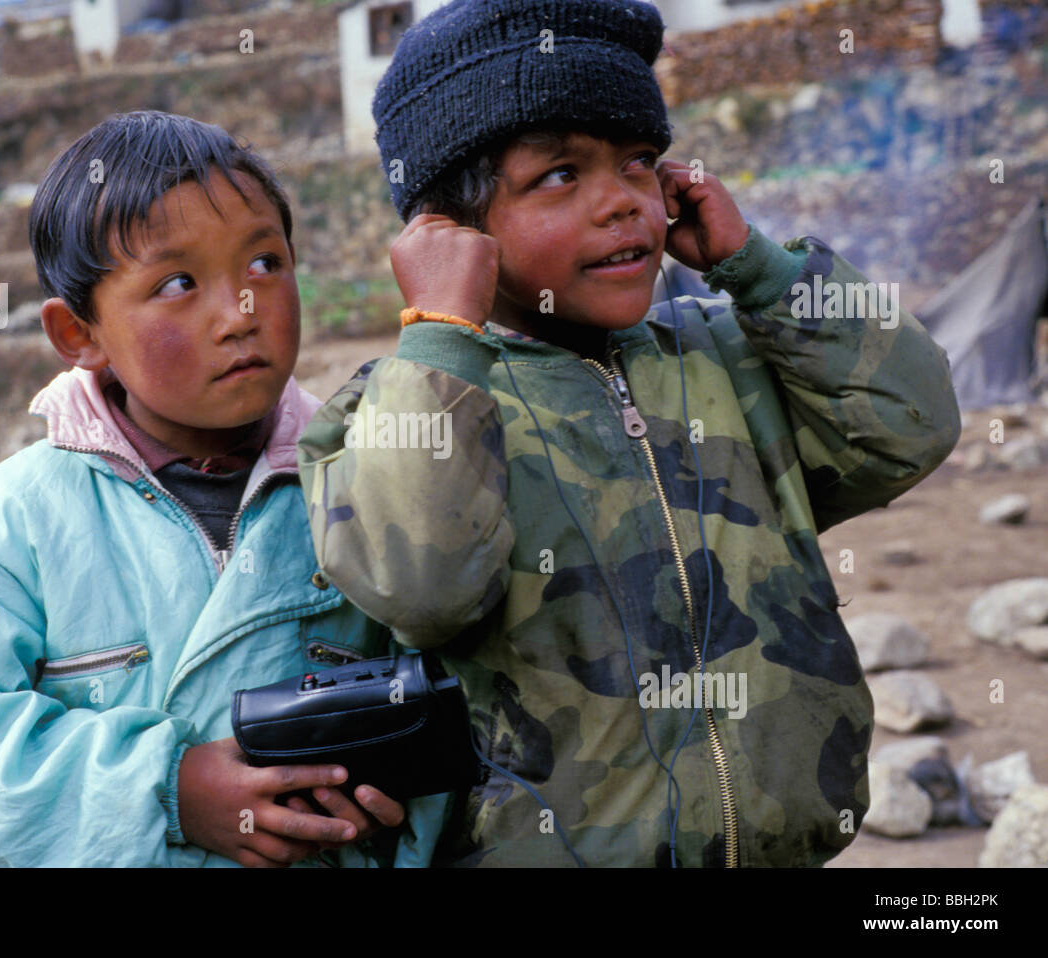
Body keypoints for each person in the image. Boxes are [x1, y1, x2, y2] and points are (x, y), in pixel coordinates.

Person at [297, 0, 962, 867]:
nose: (622, 203)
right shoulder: (395, 413)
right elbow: (422, 587)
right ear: (448, 231)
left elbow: (912, 424)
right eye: (559, 176)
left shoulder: (732, 358)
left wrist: (760, 269)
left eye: (640, 162)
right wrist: (439, 340)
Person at [0, 111, 446, 867]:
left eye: (264, 264)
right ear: (79, 334)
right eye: (178, 283)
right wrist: (167, 788)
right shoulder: (9, 525)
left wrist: (390, 799)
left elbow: (452, 687)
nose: (239, 314)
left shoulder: (365, 477)